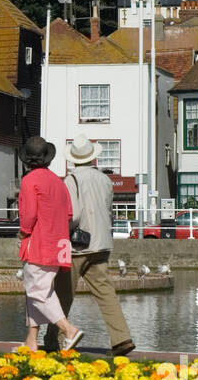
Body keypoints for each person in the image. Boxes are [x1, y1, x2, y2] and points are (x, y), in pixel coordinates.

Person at [55, 134, 135, 357]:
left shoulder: (71, 180)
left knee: (63, 293)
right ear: (93, 158)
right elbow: (108, 210)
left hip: (78, 245)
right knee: (106, 292)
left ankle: (55, 339)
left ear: (73, 159)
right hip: (102, 243)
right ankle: (122, 338)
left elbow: (73, 214)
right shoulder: (105, 180)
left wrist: (63, 231)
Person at [17, 136, 85, 352]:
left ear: (26, 160)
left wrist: (24, 231)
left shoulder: (29, 180)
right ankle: (31, 340)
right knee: (40, 290)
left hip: (39, 243)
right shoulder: (58, 181)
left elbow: (29, 214)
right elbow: (69, 214)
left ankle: (68, 329)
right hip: (59, 244)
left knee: (37, 291)